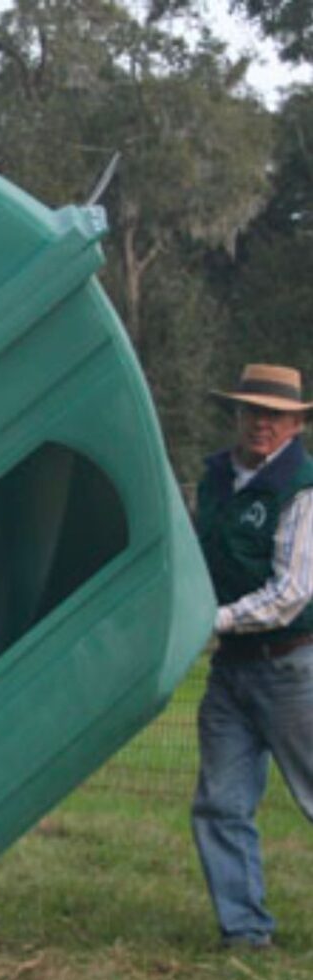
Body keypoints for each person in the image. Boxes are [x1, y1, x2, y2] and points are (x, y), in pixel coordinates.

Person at [192, 362, 313, 949]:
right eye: (251, 410)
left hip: (294, 667)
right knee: (220, 803)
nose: (261, 422)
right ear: (236, 414)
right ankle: (245, 934)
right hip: (231, 669)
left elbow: (291, 595)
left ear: (295, 423)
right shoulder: (214, 477)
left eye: (275, 414)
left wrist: (206, 620)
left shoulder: (304, 487)